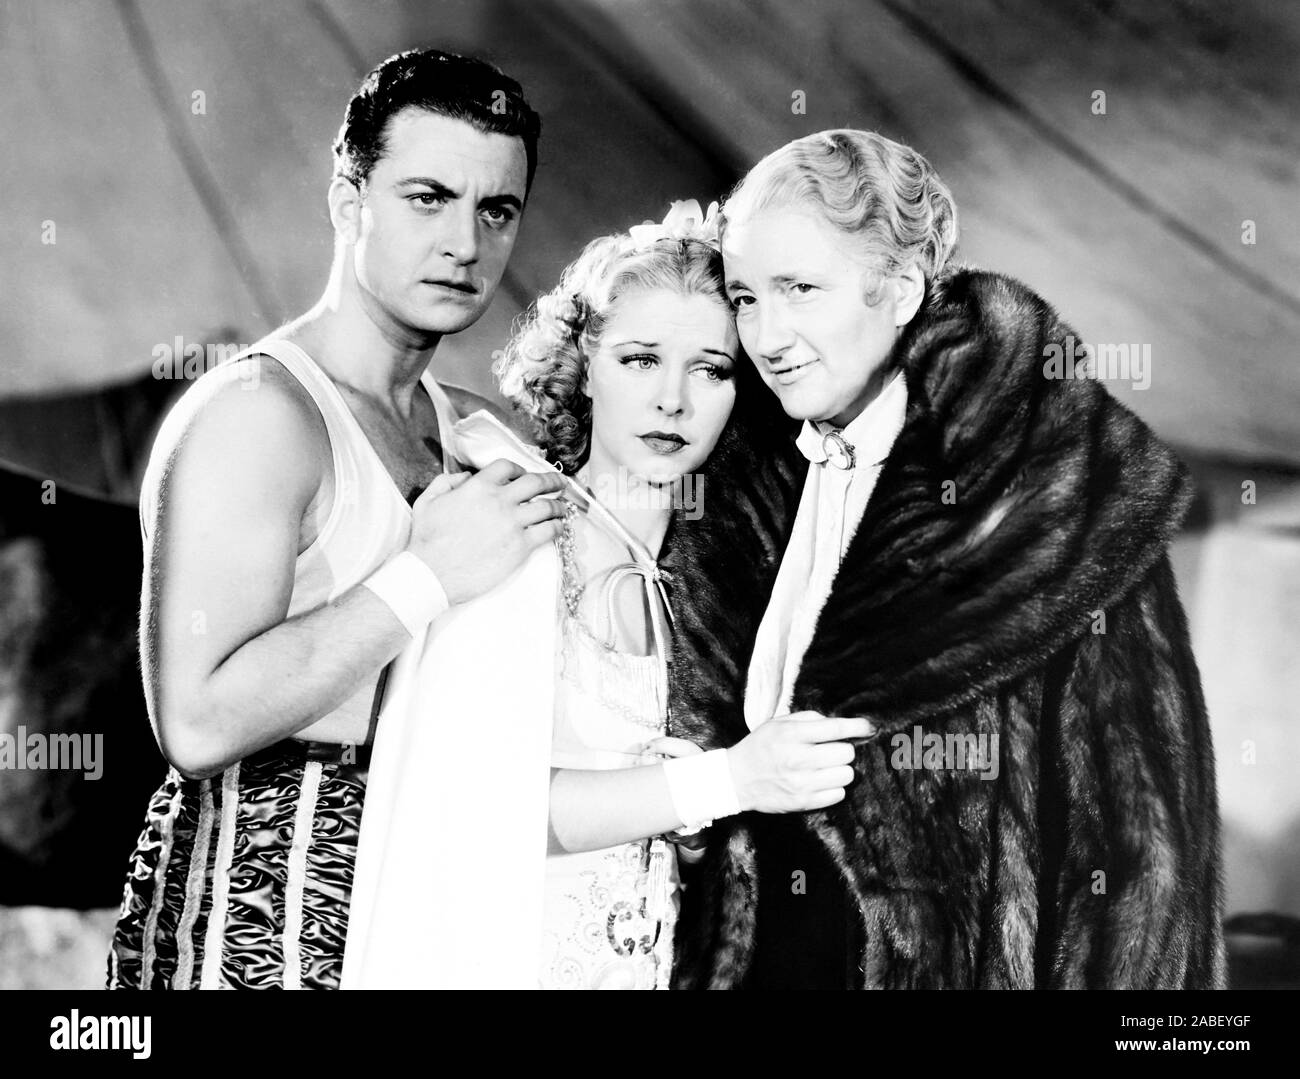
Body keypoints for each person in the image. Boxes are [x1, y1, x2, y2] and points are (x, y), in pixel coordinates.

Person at [667, 130, 1225, 989]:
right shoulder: (738, 480)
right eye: (745, 297)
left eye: (800, 290)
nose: (766, 334)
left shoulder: (1054, 499)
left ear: (898, 289)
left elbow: (1141, 864)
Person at [108, 48, 567, 990]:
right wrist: (424, 574)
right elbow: (194, 722)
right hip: (257, 922)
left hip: (427, 907)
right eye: (426, 197)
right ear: (348, 201)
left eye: (496, 211)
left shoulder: (477, 429)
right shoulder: (259, 416)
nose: (464, 245)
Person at [341, 202, 869, 990]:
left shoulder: (702, 585)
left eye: (710, 368)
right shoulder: (514, 531)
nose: (673, 401)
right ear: (584, 364)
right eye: (640, 359)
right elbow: (491, 801)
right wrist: (729, 780)